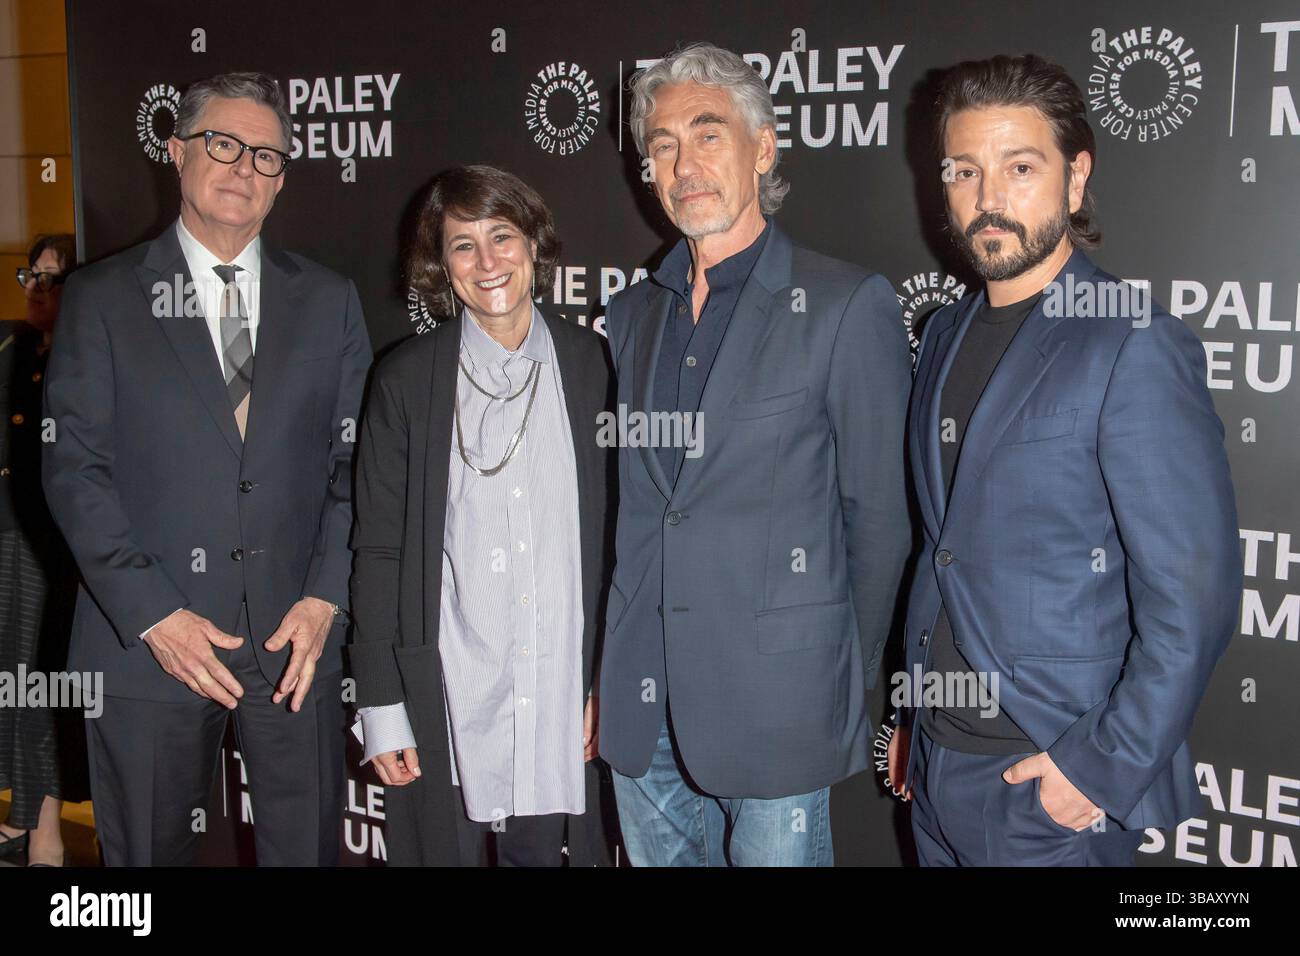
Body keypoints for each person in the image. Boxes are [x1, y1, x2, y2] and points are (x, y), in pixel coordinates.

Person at [887, 54, 1241, 866]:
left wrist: (1095, 769)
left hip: (1045, 782)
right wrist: (914, 716)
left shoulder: (1131, 341)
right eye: (964, 171)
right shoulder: (942, 334)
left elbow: (1197, 596)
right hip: (937, 763)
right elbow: (943, 546)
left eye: (1020, 168)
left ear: (1075, 179)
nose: (988, 198)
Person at [42, 72, 371, 865]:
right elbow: (73, 469)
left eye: (265, 156)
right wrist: (155, 614)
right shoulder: (101, 298)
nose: (243, 168)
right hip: (147, 645)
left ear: (282, 178)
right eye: (223, 144)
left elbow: (356, 464)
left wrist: (325, 598)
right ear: (176, 151)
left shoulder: (329, 300)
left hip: (294, 645)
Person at [598, 43, 912, 866]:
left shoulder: (844, 304)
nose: (684, 165)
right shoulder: (632, 315)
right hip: (642, 704)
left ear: (763, 148)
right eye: (663, 145)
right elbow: (642, 514)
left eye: (708, 135)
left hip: (780, 705)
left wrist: (836, 678)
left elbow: (880, 520)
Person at [348, 165, 616, 867]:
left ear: (534, 245)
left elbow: (621, 543)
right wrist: (381, 702)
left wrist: (608, 680)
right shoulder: (404, 380)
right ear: (442, 266)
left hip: (563, 701)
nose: (487, 260)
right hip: (445, 698)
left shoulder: (596, 367)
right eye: (462, 245)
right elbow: (377, 551)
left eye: (502, 236)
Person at [0, 234, 90, 867]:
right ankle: (21, 816)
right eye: (31, 274)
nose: (37, 287)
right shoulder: (12, 345)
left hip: (56, 548)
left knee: (41, 688)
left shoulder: (87, 352)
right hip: (7, 536)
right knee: (11, 680)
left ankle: (46, 834)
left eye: (53, 277)